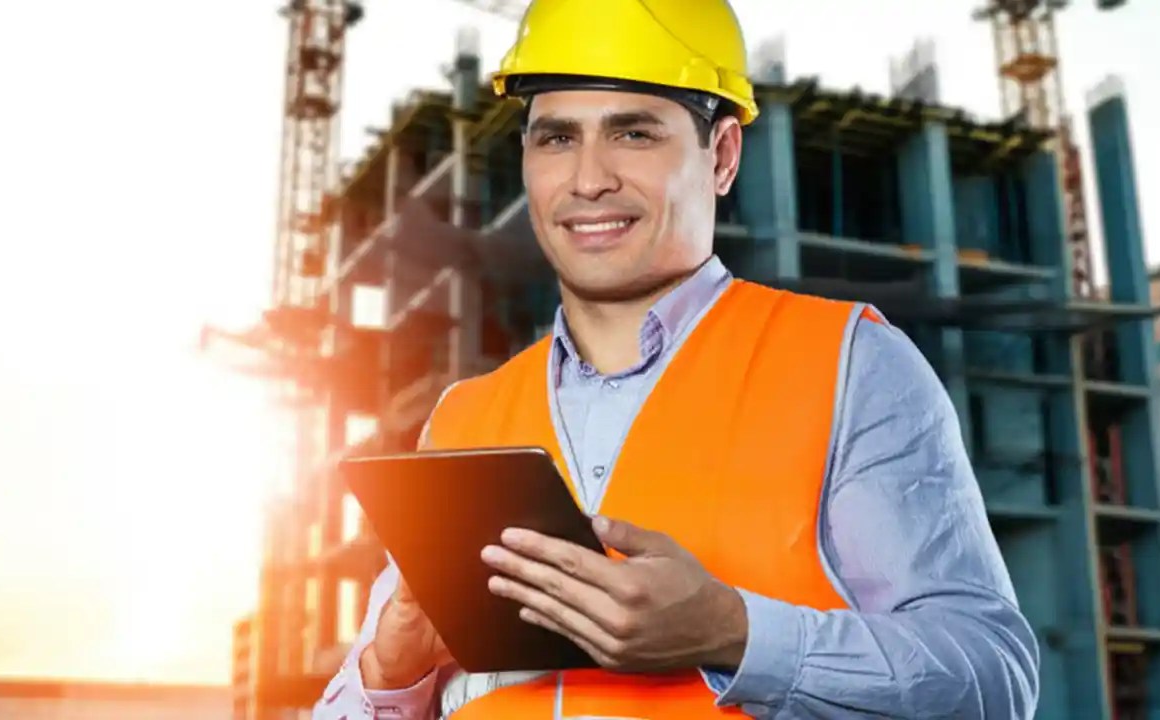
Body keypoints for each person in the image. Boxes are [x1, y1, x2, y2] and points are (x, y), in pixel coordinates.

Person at [314, 0, 1041, 717]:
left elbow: (993, 681)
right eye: (557, 139)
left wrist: (734, 632)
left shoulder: (849, 365)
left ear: (721, 156)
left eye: (633, 133)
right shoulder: (464, 419)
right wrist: (392, 670)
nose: (587, 179)